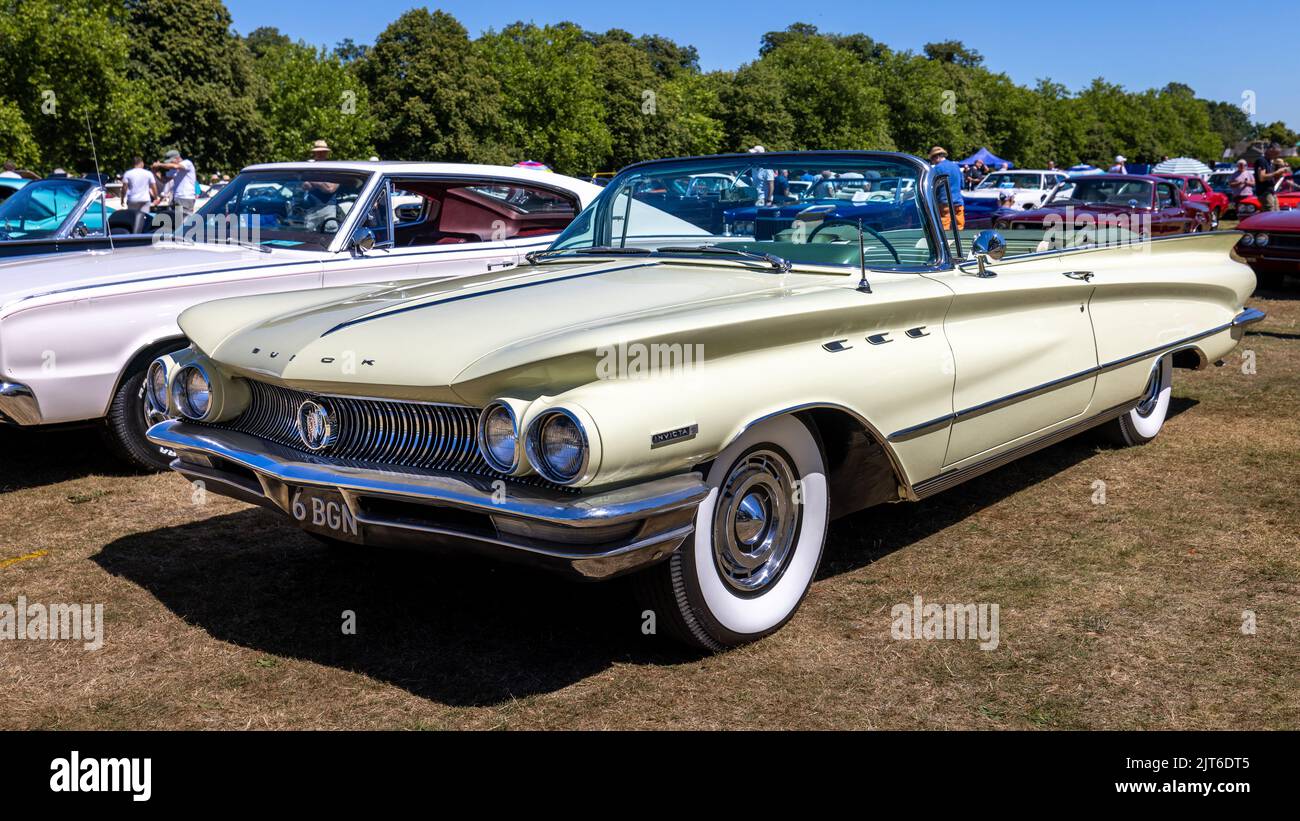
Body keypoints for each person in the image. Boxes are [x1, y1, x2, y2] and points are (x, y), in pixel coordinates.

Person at [928, 146, 965, 231]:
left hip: (945, 203)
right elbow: (962, 185)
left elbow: (933, 187)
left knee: (945, 229)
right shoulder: (956, 166)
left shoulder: (937, 169)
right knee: (960, 228)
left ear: (937, 157)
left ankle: (946, 244)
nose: (932, 162)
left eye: (932, 159)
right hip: (958, 202)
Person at [1255, 145, 1288, 211]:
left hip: (1271, 192)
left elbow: (1272, 179)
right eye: (1276, 153)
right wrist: (1276, 172)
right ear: (1270, 150)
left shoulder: (1269, 162)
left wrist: (1280, 173)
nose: (1277, 155)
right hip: (1265, 193)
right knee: (1270, 215)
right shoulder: (1261, 161)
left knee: (1277, 214)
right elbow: (1261, 178)